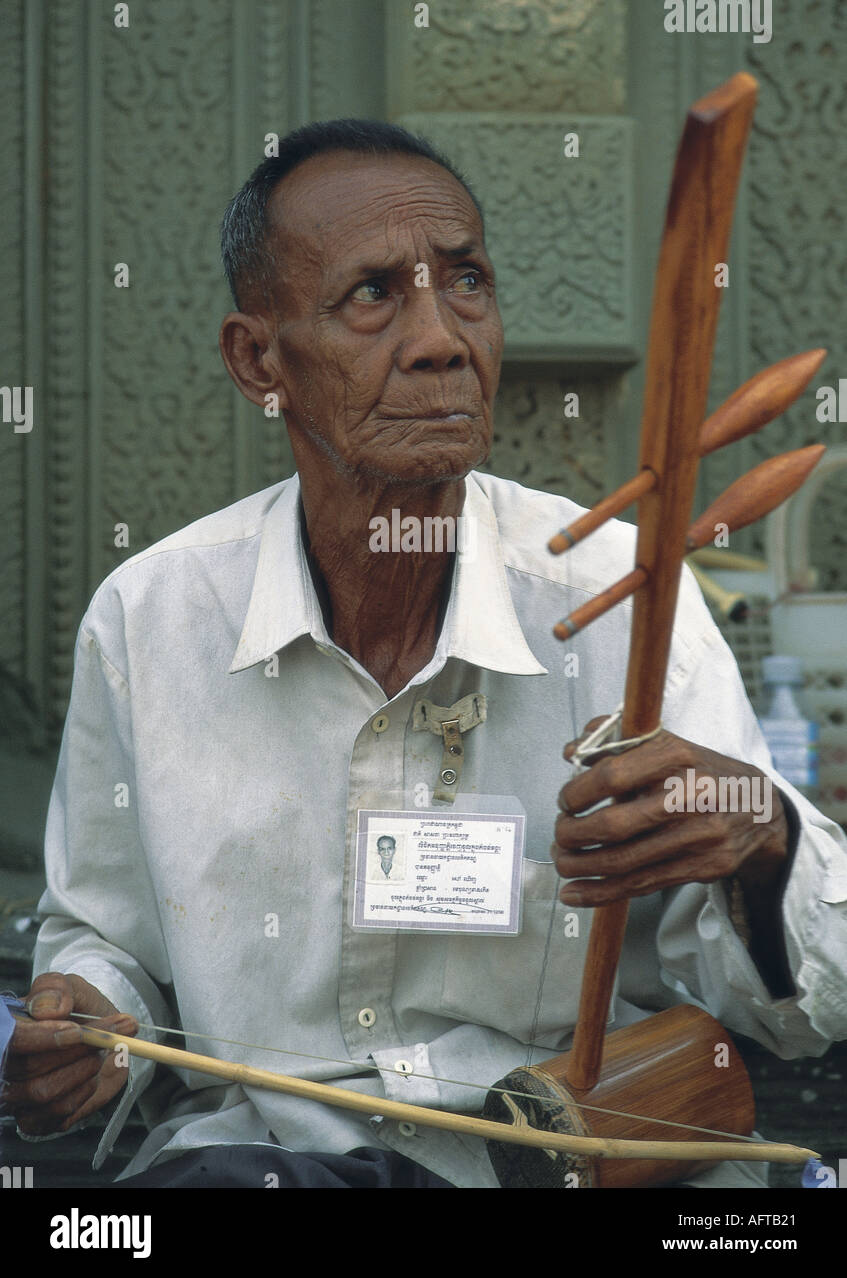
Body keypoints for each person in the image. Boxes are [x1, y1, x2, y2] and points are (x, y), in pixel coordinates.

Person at [4, 120, 847, 1190]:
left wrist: (759, 836)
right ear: (259, 360)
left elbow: (802, 1012)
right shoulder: (151, 617)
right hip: (264, 1166)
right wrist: (88, 1012)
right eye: (373, 296)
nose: (443, 338)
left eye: (468, 286)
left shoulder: (623, 600)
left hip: (558, 1161)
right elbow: (102, 934)